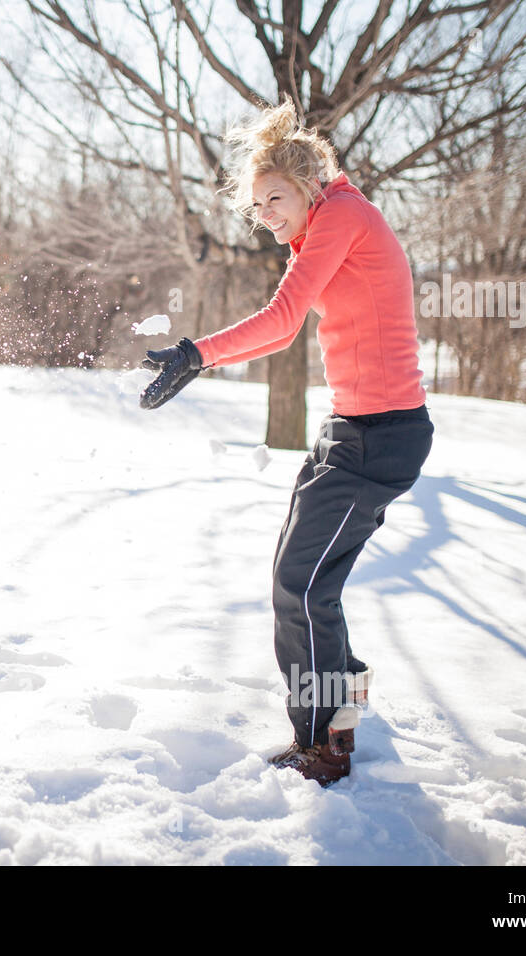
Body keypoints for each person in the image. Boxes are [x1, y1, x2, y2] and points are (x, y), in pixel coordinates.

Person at [140, 97, 433, 786]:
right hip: (354, 429)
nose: (265, 214)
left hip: (380, 438)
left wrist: (196, 354)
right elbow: (288, 324)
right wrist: (197, 358)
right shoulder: (333, 222)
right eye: (257, 205)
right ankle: (345, 711)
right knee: (304, 581)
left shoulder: (342, 216)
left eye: (275, 198)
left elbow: (281, 320)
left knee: (301, 587)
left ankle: (321, 745)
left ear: (308, 186)